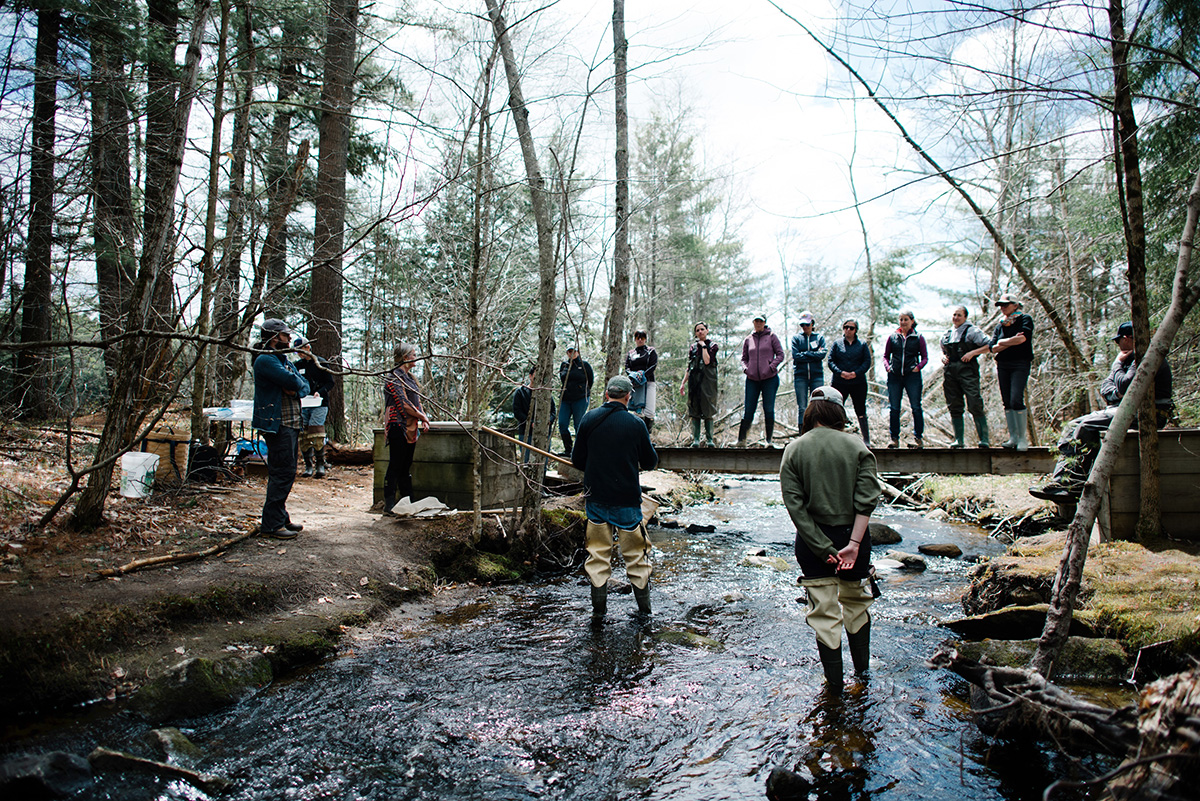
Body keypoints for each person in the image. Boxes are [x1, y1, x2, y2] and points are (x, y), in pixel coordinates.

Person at [779, 386, 882, 695]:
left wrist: (821, 547)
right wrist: (852, 544)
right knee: (856, 602)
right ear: (839, 413)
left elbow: (794, 506)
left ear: (811, 413)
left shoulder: (794, 449)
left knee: (823, 612)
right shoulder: (858, 447)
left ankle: (834, 687)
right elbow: (866, 502)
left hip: (812, 544)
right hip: (854, 540)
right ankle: (862, 676)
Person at [1030, 321, 1174, 502]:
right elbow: (1106, 388)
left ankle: (1074, 484)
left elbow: (1125, 384)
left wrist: (1117, 366)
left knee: (1086, 426)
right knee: (1072, 425)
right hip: (1125, 409)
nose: (1118, 345)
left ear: (1127, 338)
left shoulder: (1146, 356)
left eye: (1118, 341)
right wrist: (1118, 391)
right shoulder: (1129, 360)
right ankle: (1062, 482)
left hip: (1148, 414)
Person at [571, 374, 659, 627]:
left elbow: (578, 461)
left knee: (597, 557)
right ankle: (645, 615)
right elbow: (650, 462)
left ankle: (598, 615)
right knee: (637, 558)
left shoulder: (588, 420)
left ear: (607, 394)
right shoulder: (636, 424)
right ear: (629, 396)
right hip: (628, 503)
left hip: (596, 499)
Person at [252, 319, 311, 539]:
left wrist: (294, 389)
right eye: (286, 335)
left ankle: (280, 517)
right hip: (278, 425)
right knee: (282, 473)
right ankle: (272, 524)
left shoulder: (283, 359)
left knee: (286, 472)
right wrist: (294, 384)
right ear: (276, 337)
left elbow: (303, 386)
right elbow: (294, 381)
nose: (289, 339)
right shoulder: (266, 360)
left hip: (291, 423)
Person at [383, 342, 431, 512]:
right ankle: (388, 504)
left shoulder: (410, 378)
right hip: (397, 425)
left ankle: (408, 501)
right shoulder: (393, 377)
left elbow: (417, 401)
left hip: (411, 426)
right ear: (404, 357)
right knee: (396, 463)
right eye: (413, 355)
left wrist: (423, 418)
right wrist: (422, 416)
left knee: (406, 465)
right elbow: (403, 403)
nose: (415, 358)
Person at [987, 293, 1034, 451]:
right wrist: (1006, 342)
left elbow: (1022, 339)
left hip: (1020, 363)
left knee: (1016, 399)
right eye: (1000, 305)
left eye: (1005, 305)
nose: (1002, 308)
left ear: (1015, 305)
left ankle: (1022, 439)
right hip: (1003, 364)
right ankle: (1013, 437)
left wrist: (1002, 343)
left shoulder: (1024, 319)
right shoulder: (1000, 325)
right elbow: (993, 347)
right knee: (1007, 401)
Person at [940, 306, 992, 449]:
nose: (956, 318)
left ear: (965, 317)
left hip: (968, 371)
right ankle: (959, 440)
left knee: (974, 402)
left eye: (959, 315)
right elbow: (943, 351)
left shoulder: (973, 331)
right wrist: (943, 357)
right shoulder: (947, 334)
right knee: (954, 405)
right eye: (954, 315)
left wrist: (973, 353)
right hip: (950, 372)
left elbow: (990, 345)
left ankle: (984, 439)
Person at [737, 313, 785, 448]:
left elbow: (780, 354)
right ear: (753, 323)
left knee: (768, 408)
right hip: (752, 379)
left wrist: (771, 366)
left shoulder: (771, 337)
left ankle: (769, 441)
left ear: (764, 323)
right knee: (749, 409)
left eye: (760, 321)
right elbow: (743, 358)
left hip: (769, 378)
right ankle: (741, 440)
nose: (758, 323)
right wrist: (746, 369)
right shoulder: (748, 339)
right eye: (756, 321)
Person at [882, 310, 928, 448]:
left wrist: (918, 367)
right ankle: (894, 439)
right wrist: (887, 367)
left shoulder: (918, 337)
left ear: (912, 321)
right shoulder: (893, 337)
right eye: (901, 319)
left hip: (912, 376)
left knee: (916, 407)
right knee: (894, 408)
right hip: (894, 376)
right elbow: (885, 355)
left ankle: (918, 438)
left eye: (906, 319)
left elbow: (925, 357)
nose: (903, 322)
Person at [292, 336, 335, 478]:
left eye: (302, 350)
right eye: (297, 352)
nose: (300, 354)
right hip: (303, 403)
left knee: (316, 431)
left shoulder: (320, 363)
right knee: (304, 433)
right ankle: (308, 465)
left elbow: (330, 383)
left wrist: (320, 392)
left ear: (308, 348)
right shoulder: (298, 365)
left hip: (319, 403)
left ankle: (320, 465)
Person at [828, 318, 872, 445]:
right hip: (839, 382)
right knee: (836, 409)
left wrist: (855, 373)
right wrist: (840, 373)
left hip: (857, 382)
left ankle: (866, 440)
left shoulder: (862, 345)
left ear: (855, 330)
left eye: (851, 328)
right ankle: (834, 438)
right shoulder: (837, 344)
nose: (848, 330)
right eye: (846, 327)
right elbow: (830, 361)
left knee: (860, 409)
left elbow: (867, 362)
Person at [680, 321, 719, 447]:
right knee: (694, 409)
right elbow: (689, 367)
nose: (700, 332)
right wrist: (683, 383)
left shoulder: (713, 345)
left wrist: (703, 346)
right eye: (697, 330)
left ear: (707, 330)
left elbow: (707, 361)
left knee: (708, 410)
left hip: (708, 382)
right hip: (694, 382)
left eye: (702, 329)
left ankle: (709, 440)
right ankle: (695, 440)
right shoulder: (692, 347)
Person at [511, 366, 555, 461]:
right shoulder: (520, 392)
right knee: (526, 461)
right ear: (530, 376)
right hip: (526, 433)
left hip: (544, 433)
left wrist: (547, 422)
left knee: (543, 462)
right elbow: (517, 412)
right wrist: (530, 423)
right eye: (536, 376)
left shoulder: (546, 393)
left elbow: (553, 412)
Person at [558, 345, 594, 455]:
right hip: (566, 399)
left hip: (580, 399)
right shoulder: (564, 365)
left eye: (574, 351)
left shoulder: (584, 365)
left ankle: (580, 451)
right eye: (569, 351)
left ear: (578, 352)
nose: (571, 353)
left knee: (578, 425)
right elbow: (562, 379)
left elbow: (590, 380)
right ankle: (568, 449)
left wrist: (583, 391)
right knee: (562, 424)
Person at [791, 311, 827, 412]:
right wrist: (813, 354)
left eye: (807, 324)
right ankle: (802, 427)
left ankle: (816, 427)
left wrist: (806, 354)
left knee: (817, 405)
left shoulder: (819, 338)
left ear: (812, 323)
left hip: (817, 376)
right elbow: (796, 356)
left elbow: (822, 354)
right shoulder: (796, 339)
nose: (805, 327)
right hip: (800, 376)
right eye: (802, 325)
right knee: (802, 407)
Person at [624, 330, 659, 430]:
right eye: (637, 337)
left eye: (642, 337)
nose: (640, 340)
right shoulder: (631, 353)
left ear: (645, 339)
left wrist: (642, 375)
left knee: (649, 410)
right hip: (635, 383)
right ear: (635, 339)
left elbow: (653, 365)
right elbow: (627, 367)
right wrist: (634, 375)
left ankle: (647, 434)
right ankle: (637, 435)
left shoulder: (650, 351)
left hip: (648, 381)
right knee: (637, 410)